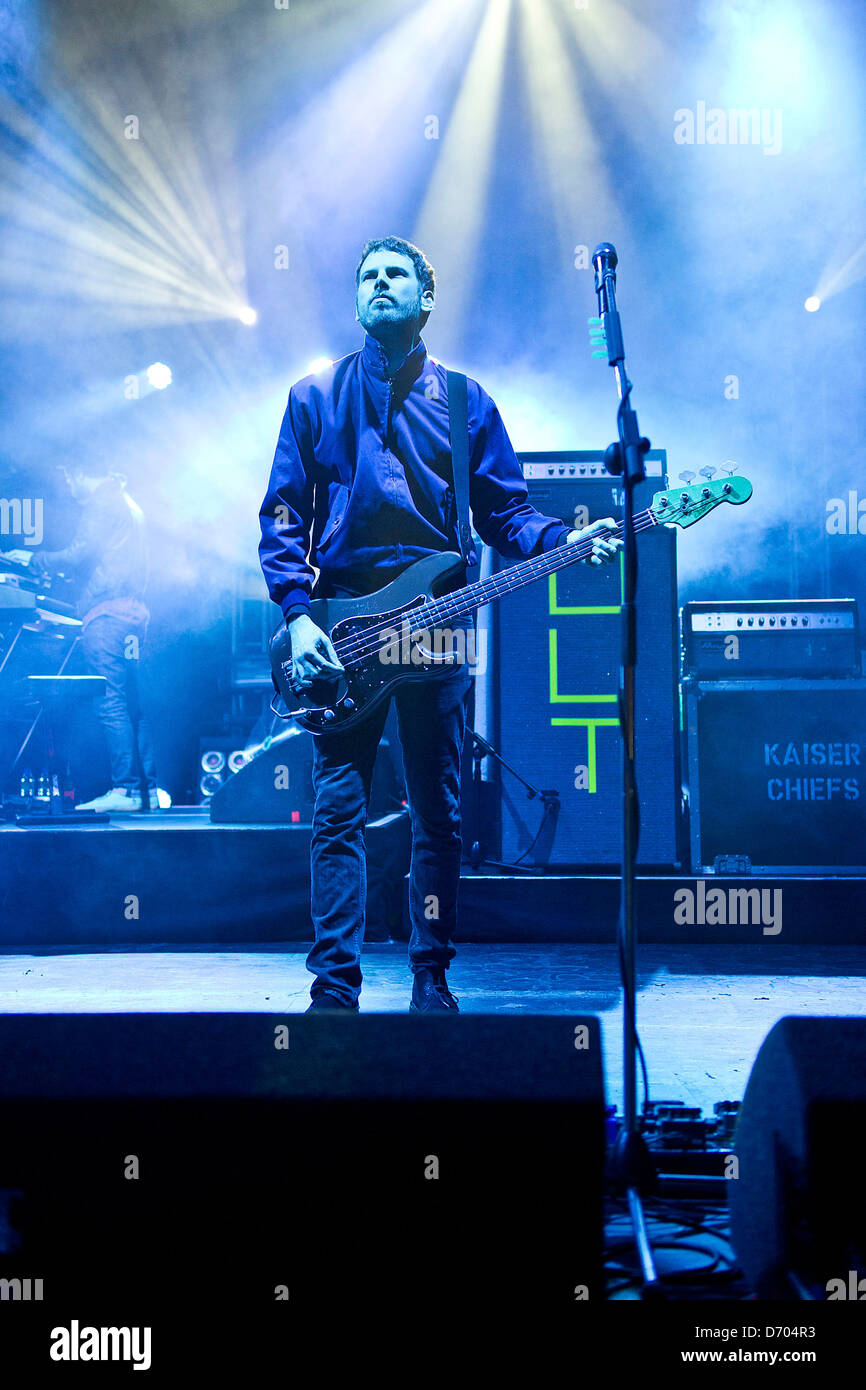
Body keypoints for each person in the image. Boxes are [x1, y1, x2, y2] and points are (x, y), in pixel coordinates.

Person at [258, 235, 621, 1013]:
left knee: (439, 811)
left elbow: (506, 513)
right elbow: (284, 518)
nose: (379, 284)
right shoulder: (313, 397)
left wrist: (563, 541)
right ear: (356, 300)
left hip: (440, 620)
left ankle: (431, 977)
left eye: (396, 275)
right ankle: (333, 989)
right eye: (367, 275)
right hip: (341, 626)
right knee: (338, 811)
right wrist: (298, 617)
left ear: (427, 298)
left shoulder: (466, 402)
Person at [29, 464, 161, 812]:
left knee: (110, 701)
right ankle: (149, 791)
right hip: (134, 614)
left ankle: (126, 791)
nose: (69, 485)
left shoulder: (103, 501)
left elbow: (78, 553)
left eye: (69, 476)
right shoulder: (129, 502)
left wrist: (34, 558)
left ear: (81, 470)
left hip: (107, 615)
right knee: (134, 705)